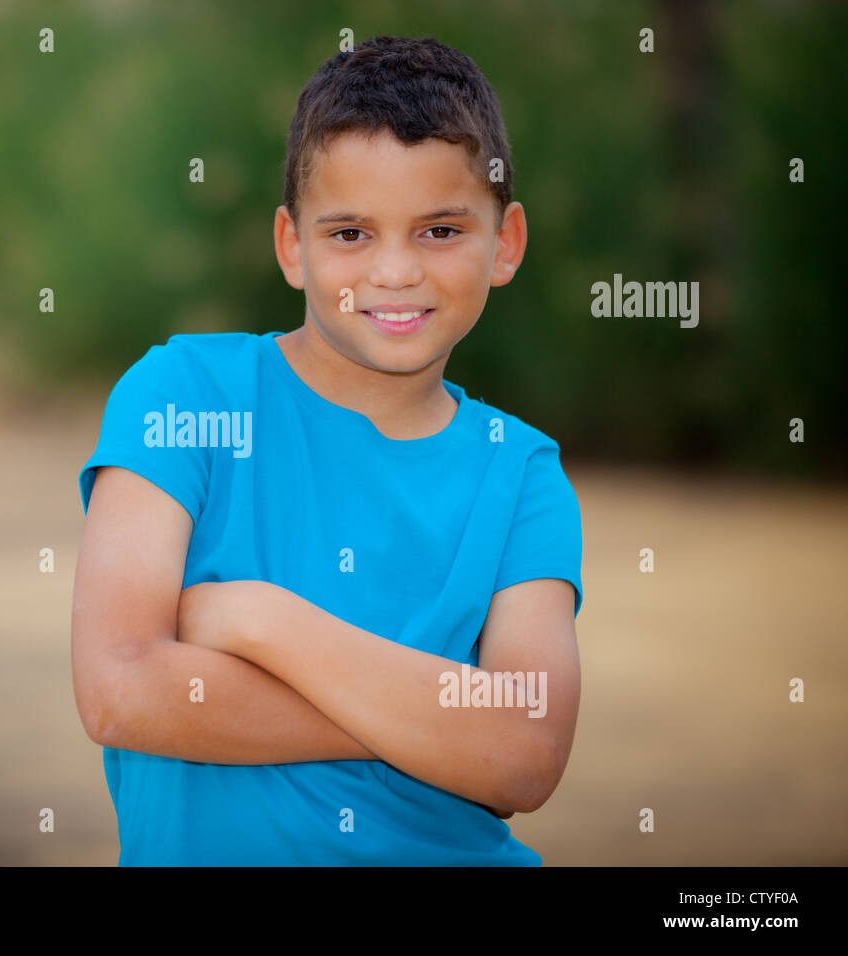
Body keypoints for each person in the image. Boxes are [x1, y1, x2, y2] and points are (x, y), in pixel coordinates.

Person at [71, 34, 583, 866]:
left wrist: (261, 621)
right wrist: (442, 727)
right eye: (349, 233)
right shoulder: (185, 396)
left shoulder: (520, 474)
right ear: (290, 245)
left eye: (440, 229)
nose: (392, 271)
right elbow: (121, 691)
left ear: (507, 242)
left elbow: (526, 755)